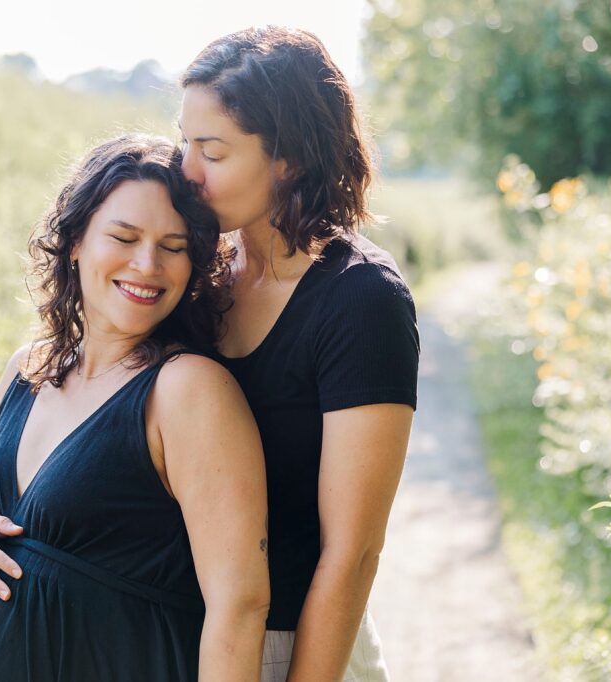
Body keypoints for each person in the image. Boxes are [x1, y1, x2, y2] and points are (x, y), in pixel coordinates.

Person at [0, 135, 269, 681]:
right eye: (124, 237)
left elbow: (239, 606)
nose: (147, 265)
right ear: (75, 240)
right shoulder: (29, 367)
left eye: (173, 247)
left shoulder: (187, 391)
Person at [177, 27, 419, 682]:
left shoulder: (361, 300)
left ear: (288, 158)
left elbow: (353, 556)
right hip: (187, 639)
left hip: (296, 648)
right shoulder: (197, 275)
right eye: (184, 143)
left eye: (213, 151)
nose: (186, 171)